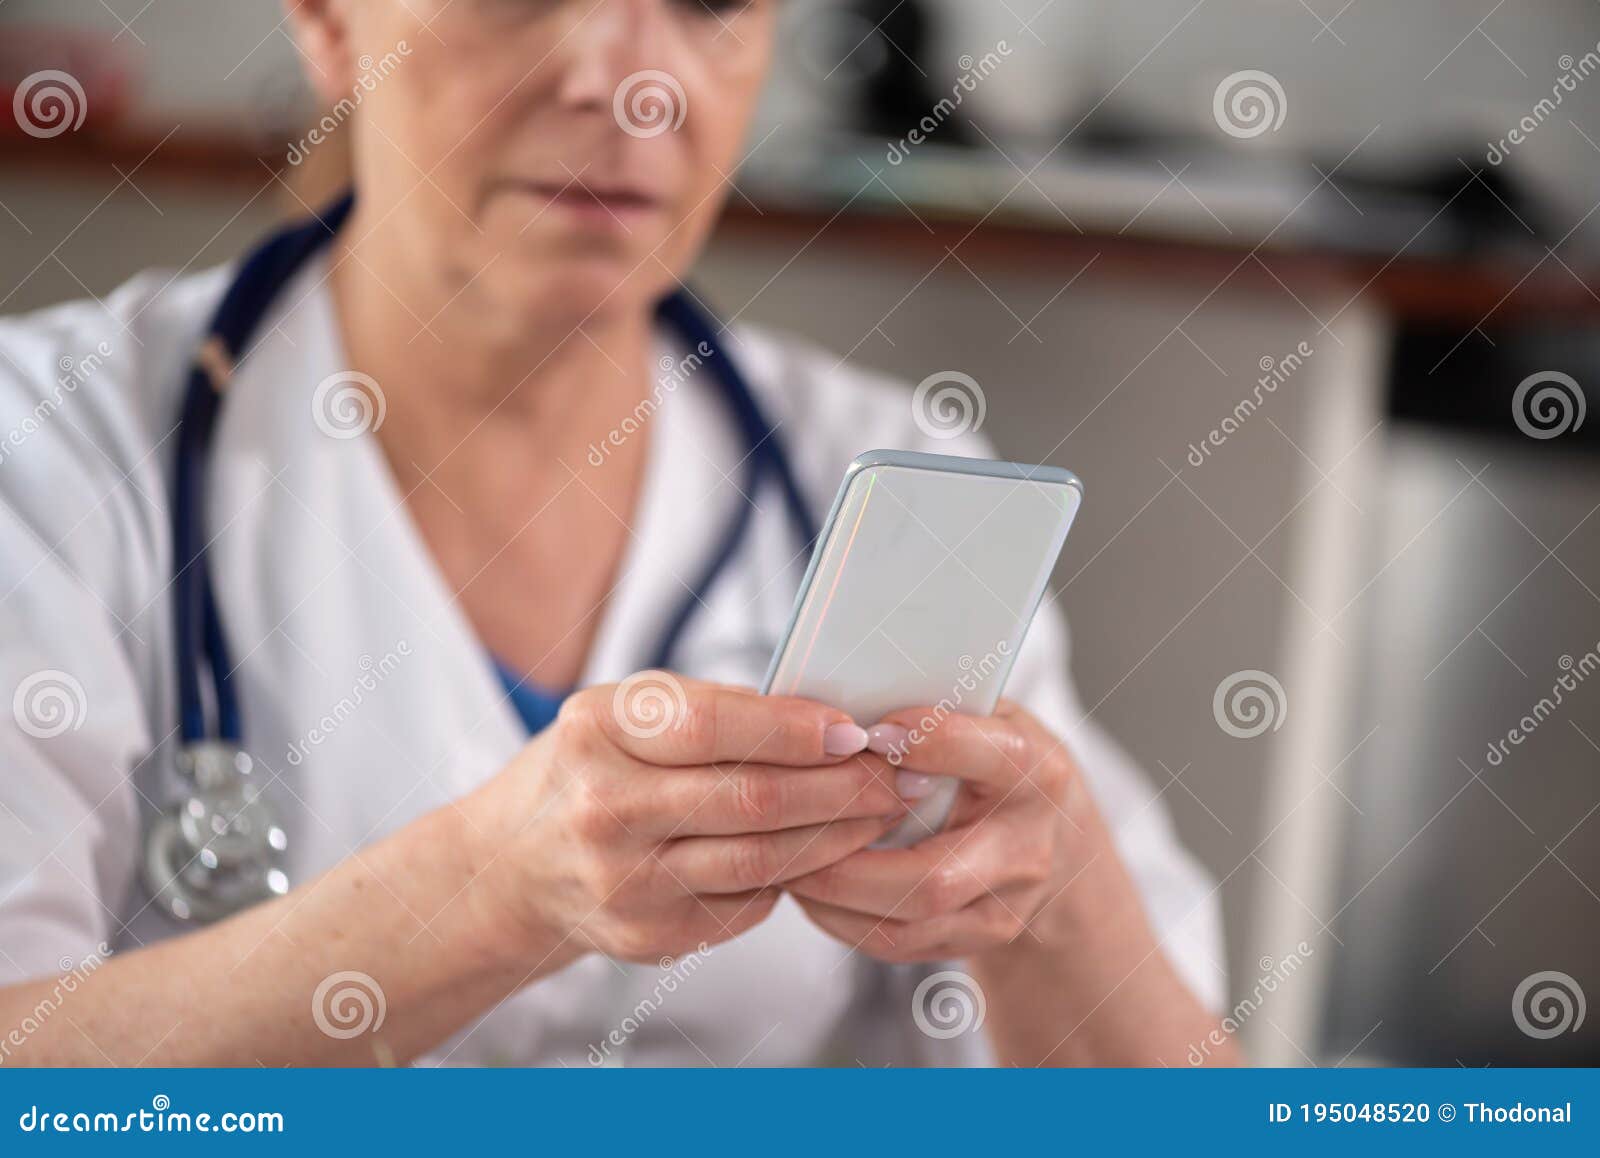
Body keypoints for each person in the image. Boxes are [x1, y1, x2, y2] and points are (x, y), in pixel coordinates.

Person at [0, 0, 1232, 1067]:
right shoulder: (51, 452)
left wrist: (1056, 899)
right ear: (327, 18)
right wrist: (489, 892)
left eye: (706, 1)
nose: (630, 81)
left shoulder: (885, 481)